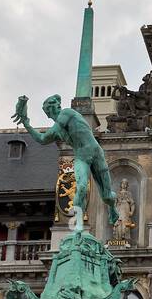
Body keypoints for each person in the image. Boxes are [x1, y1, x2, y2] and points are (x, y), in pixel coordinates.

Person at [15, 94, 119, 225]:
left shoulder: (67, 113)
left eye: (51, 110)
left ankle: (112, 207)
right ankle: (79, 225)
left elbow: (46, 136)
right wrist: (26, 124)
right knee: (80, 188)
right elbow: (41, 139)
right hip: (82, 157)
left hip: (96, 153)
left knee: (107, 197)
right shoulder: (58, 130)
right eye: (50, 111)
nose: (51, 113)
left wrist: (25, 117)